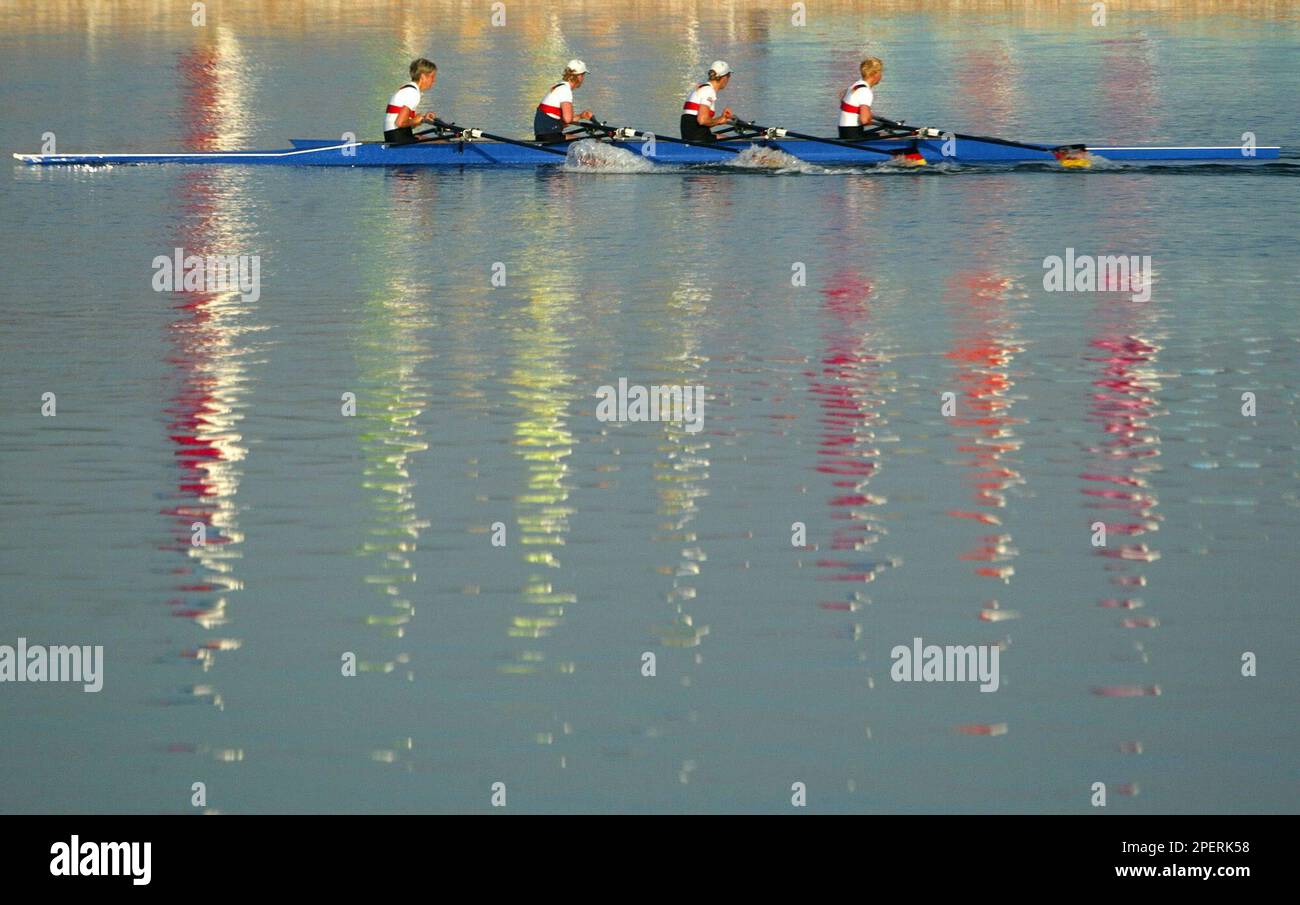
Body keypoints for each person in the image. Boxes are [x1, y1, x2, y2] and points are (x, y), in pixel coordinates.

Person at [534, 60, 594, 143]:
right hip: (550, 136)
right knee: (588, 143)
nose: (583, 79)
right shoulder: (565, 91)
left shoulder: (559, 86)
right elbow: (568, 119)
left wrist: (581, 116)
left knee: (582, 141)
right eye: (583, 75)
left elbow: (563, 121)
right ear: (579, 76)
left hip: (543, 135)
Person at [384, 59, 438, 145]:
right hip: (398, 138)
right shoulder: (412, 93)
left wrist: (423, 119)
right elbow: (400, 123)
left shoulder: (408, 89)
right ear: (423, 76)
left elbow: (406, 124)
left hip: (395, 136)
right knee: (443, 143)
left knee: (435, 141)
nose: (434, 80)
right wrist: (414, 121)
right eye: (432, 77)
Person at [681, 61, 733, 142]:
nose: (729, 79)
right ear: (724, 77)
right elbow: (702, 120)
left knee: (725, 138)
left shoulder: (703, 88)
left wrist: (721, 118)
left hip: (693, 135)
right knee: (734, 142)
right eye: (729, 76)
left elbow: (695, 123)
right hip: (697, 139)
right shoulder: (708, 91)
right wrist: (720, 120)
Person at [838, 58, 882, 139]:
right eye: (880, 72)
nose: (881, 76)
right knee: (889, 136)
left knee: (881, 134)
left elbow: (841, 98)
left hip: (844, 131)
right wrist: (869, 119)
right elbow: (864, 120)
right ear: (875, 74)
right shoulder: (865, 91)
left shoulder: (855, 86)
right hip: (853, 134)